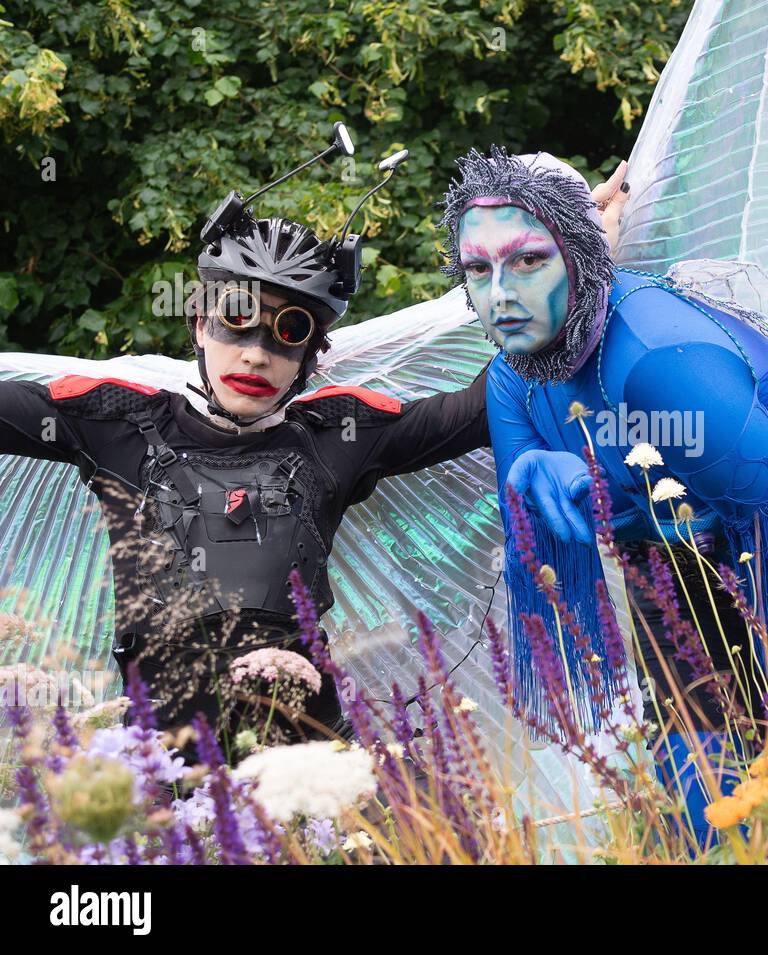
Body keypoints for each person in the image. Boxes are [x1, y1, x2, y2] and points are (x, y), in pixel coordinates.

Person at [0, 135, 630, 762]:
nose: (255, 353)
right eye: (235, 317)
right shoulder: (117, 421)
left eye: (289, 332)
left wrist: (571, 265)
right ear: (198, 323)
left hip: (308, 755)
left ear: (310, 355)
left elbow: (486, 401)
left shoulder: (337, 434)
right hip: (165, 762)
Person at [441, 146, 768, 854]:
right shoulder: (514, 377)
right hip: (670, 569)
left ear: (580, 254)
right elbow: (547, 570)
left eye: (528, 261)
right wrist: (542, 502)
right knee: (707, 805)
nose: (499, 293)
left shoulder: (658, 358)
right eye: (478, 270)